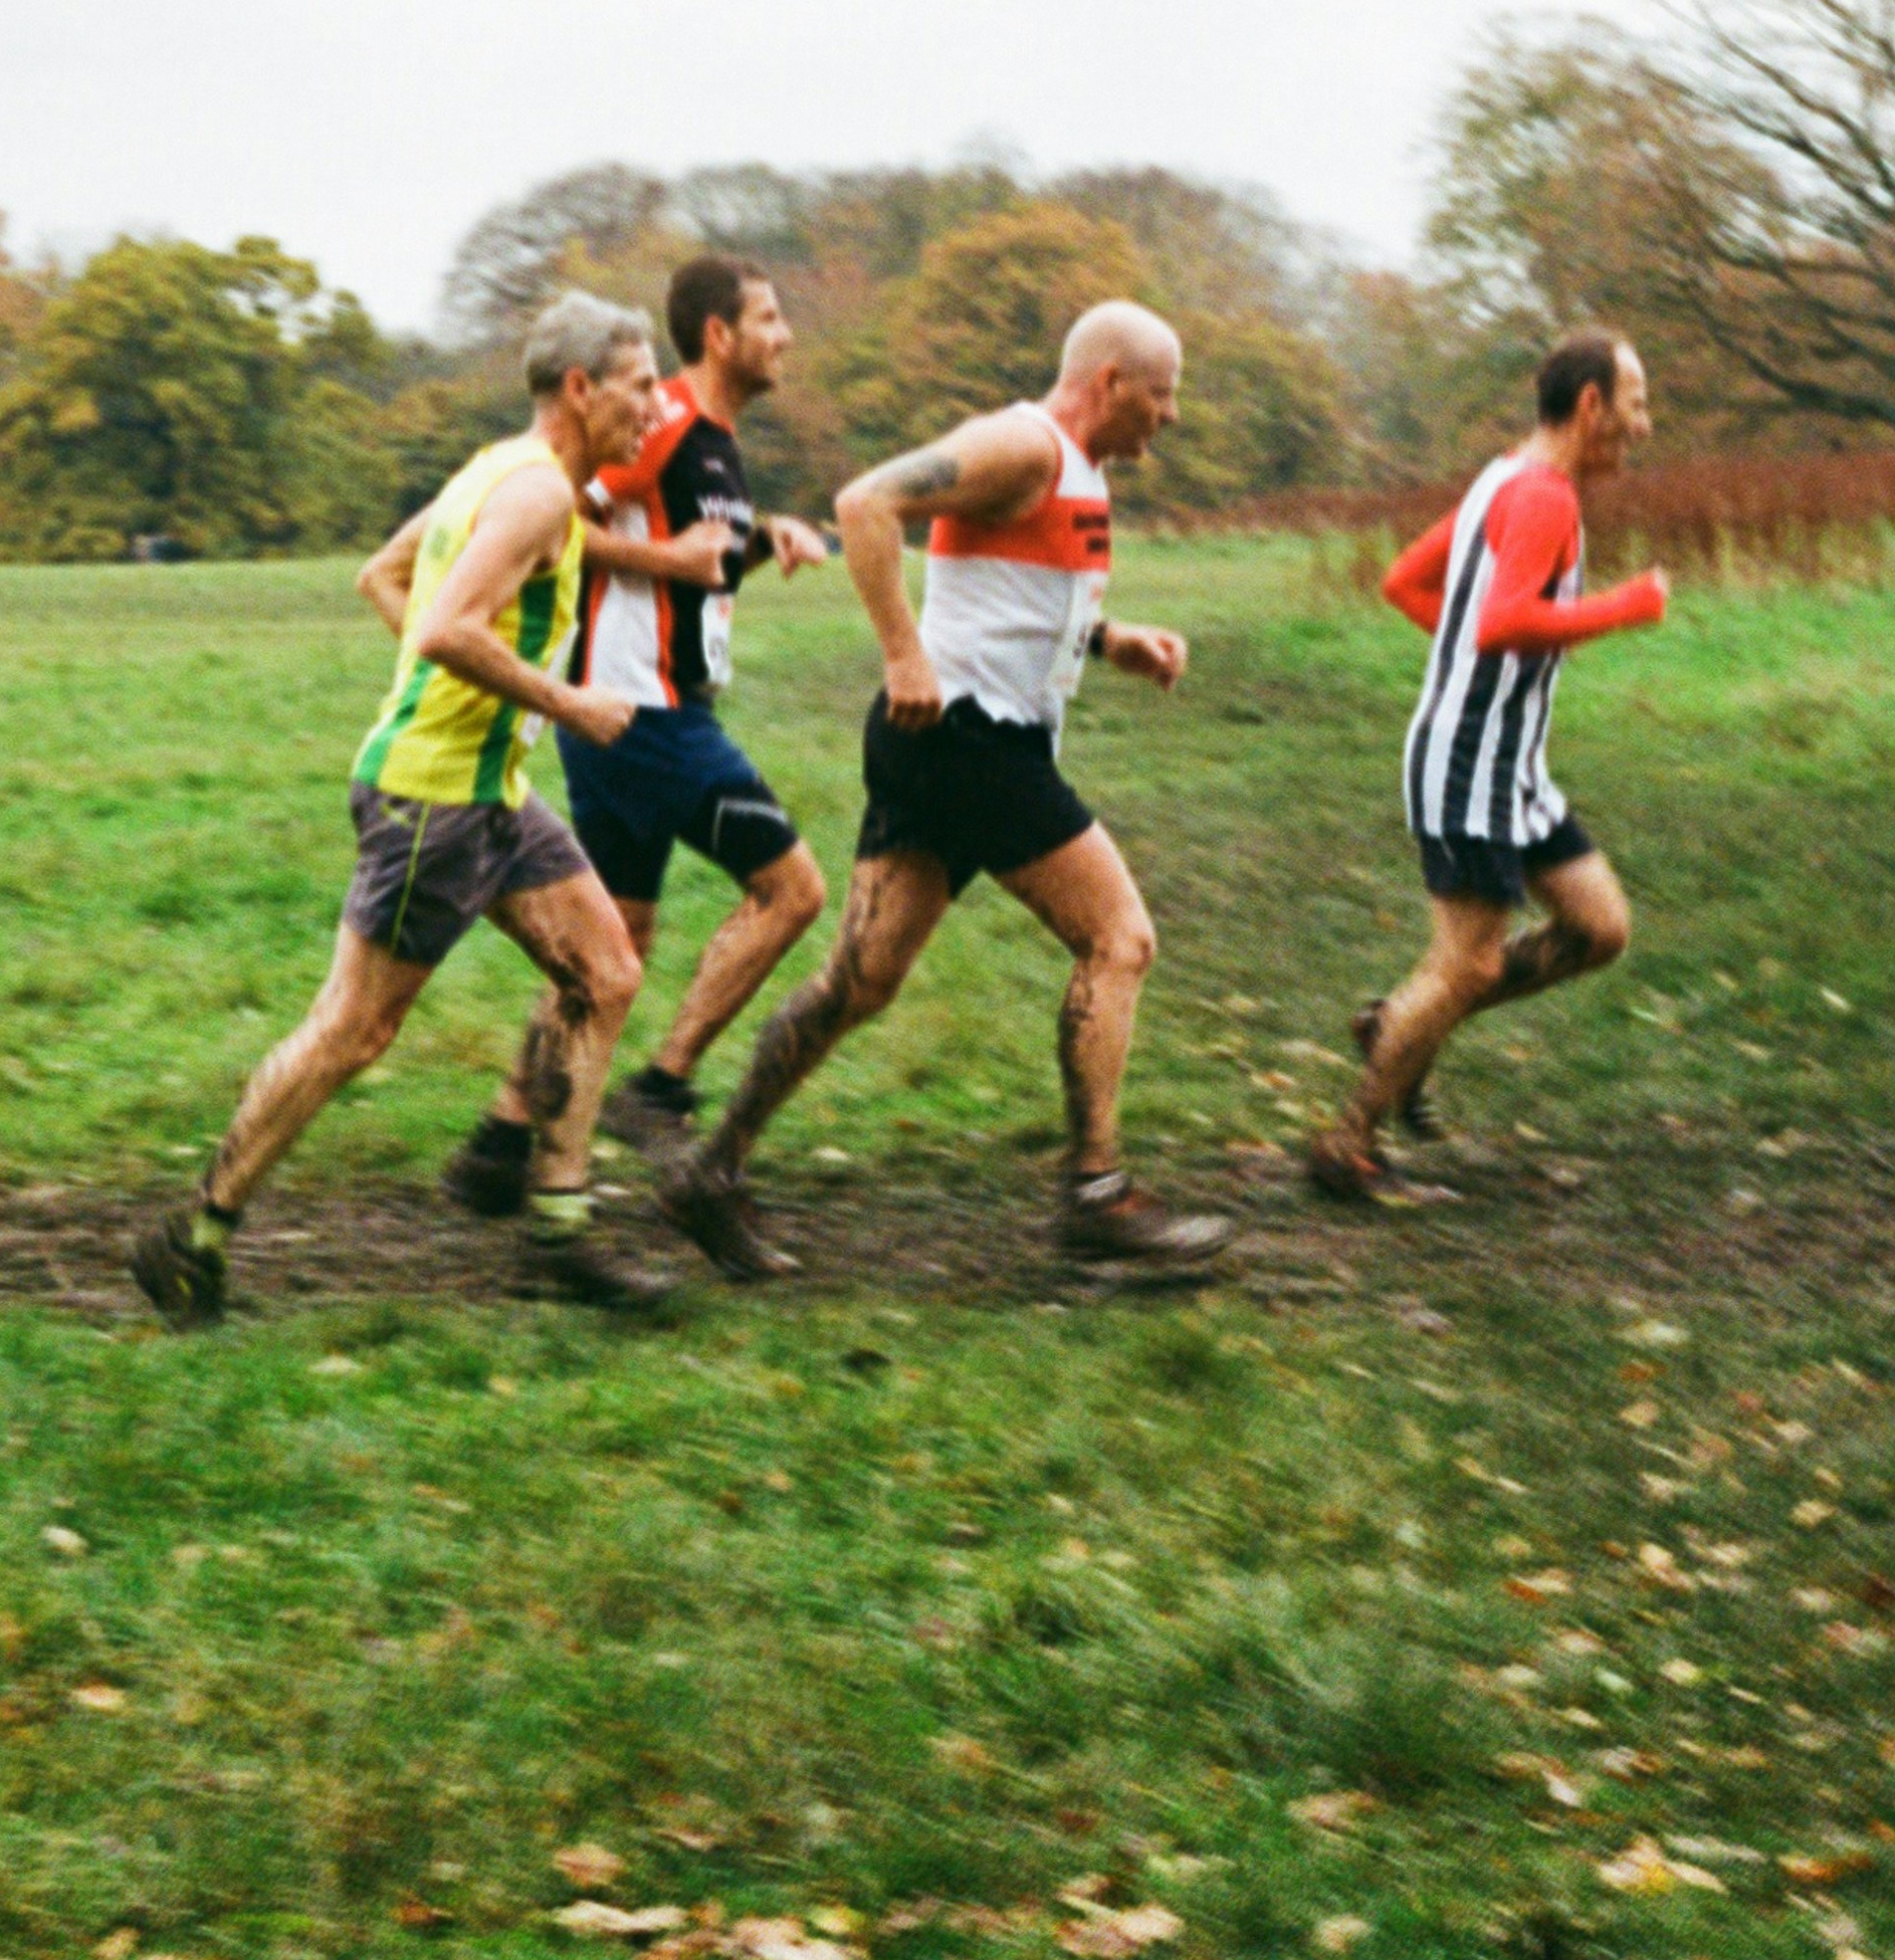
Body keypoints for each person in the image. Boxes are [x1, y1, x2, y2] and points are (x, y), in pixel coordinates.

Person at [652, 302, 1234, 1282]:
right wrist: (901, 652)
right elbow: (862, 503)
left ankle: (709, 1172)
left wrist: (1112, 638)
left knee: (860, 981)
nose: (1170, 418)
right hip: (972, 744)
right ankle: (1097, 1196)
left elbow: (1018, 590)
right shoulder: (1020, 442)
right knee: (1120, 938)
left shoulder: (1066, 467)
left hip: (944, 748)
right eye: (1164, 394)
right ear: (1110, 383)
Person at [132, 294, 682, 1326]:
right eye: (642, 383)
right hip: (430, 802)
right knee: (353, 1030)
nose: (656, 404)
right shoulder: (533, 499)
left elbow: (382, 576)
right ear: (580, 388)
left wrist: (469, 697)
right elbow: (441, 630)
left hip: (490, 792)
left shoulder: (496, 472)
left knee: (603, 971)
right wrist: (565, 702)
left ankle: (558, 1231)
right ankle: (193, 1235)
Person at [440, 256, 833, 1215]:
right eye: (770, 318)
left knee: (615, 942)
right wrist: (669, 556)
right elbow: (559, 519)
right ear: (719, 335)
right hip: (640, 708)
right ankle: (663, 1088)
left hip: (646, 711)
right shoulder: (663, 427)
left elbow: (695, 552)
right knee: (792, 891)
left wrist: (757, 535)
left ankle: (498, 1140)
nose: (785, 336)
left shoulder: (715, 444)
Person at [1308, 330, 1670, 1200]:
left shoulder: (1501, 477)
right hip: (1468, 759)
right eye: (1637, 402)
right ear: (1592, 405)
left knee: (1598, 928)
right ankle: (1349, 1142)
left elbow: (1405, 582)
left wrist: (1485, 659)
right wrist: (1621, 606)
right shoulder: (1543, 496)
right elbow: (1505, 619)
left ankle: (1399, 1022)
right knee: (1466, 964)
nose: (1645, 424)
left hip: (1513, 768)